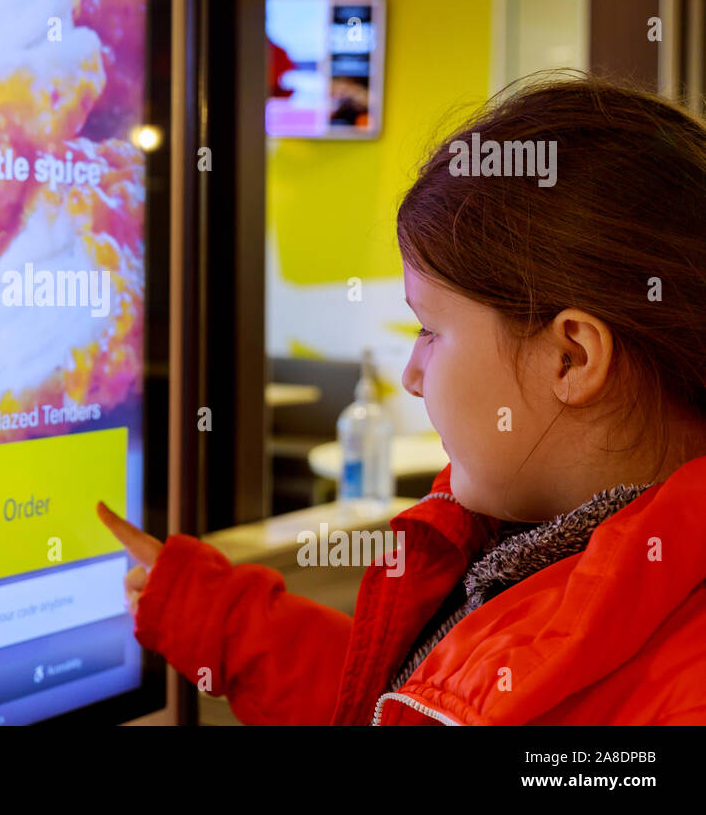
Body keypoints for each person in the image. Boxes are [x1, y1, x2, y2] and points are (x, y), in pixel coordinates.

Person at [97, 73, 706, 724]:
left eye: (430, 331)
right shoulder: (537, 555)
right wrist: (213, 614)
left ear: (571, 358)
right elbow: (416, 699)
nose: (412, 374)